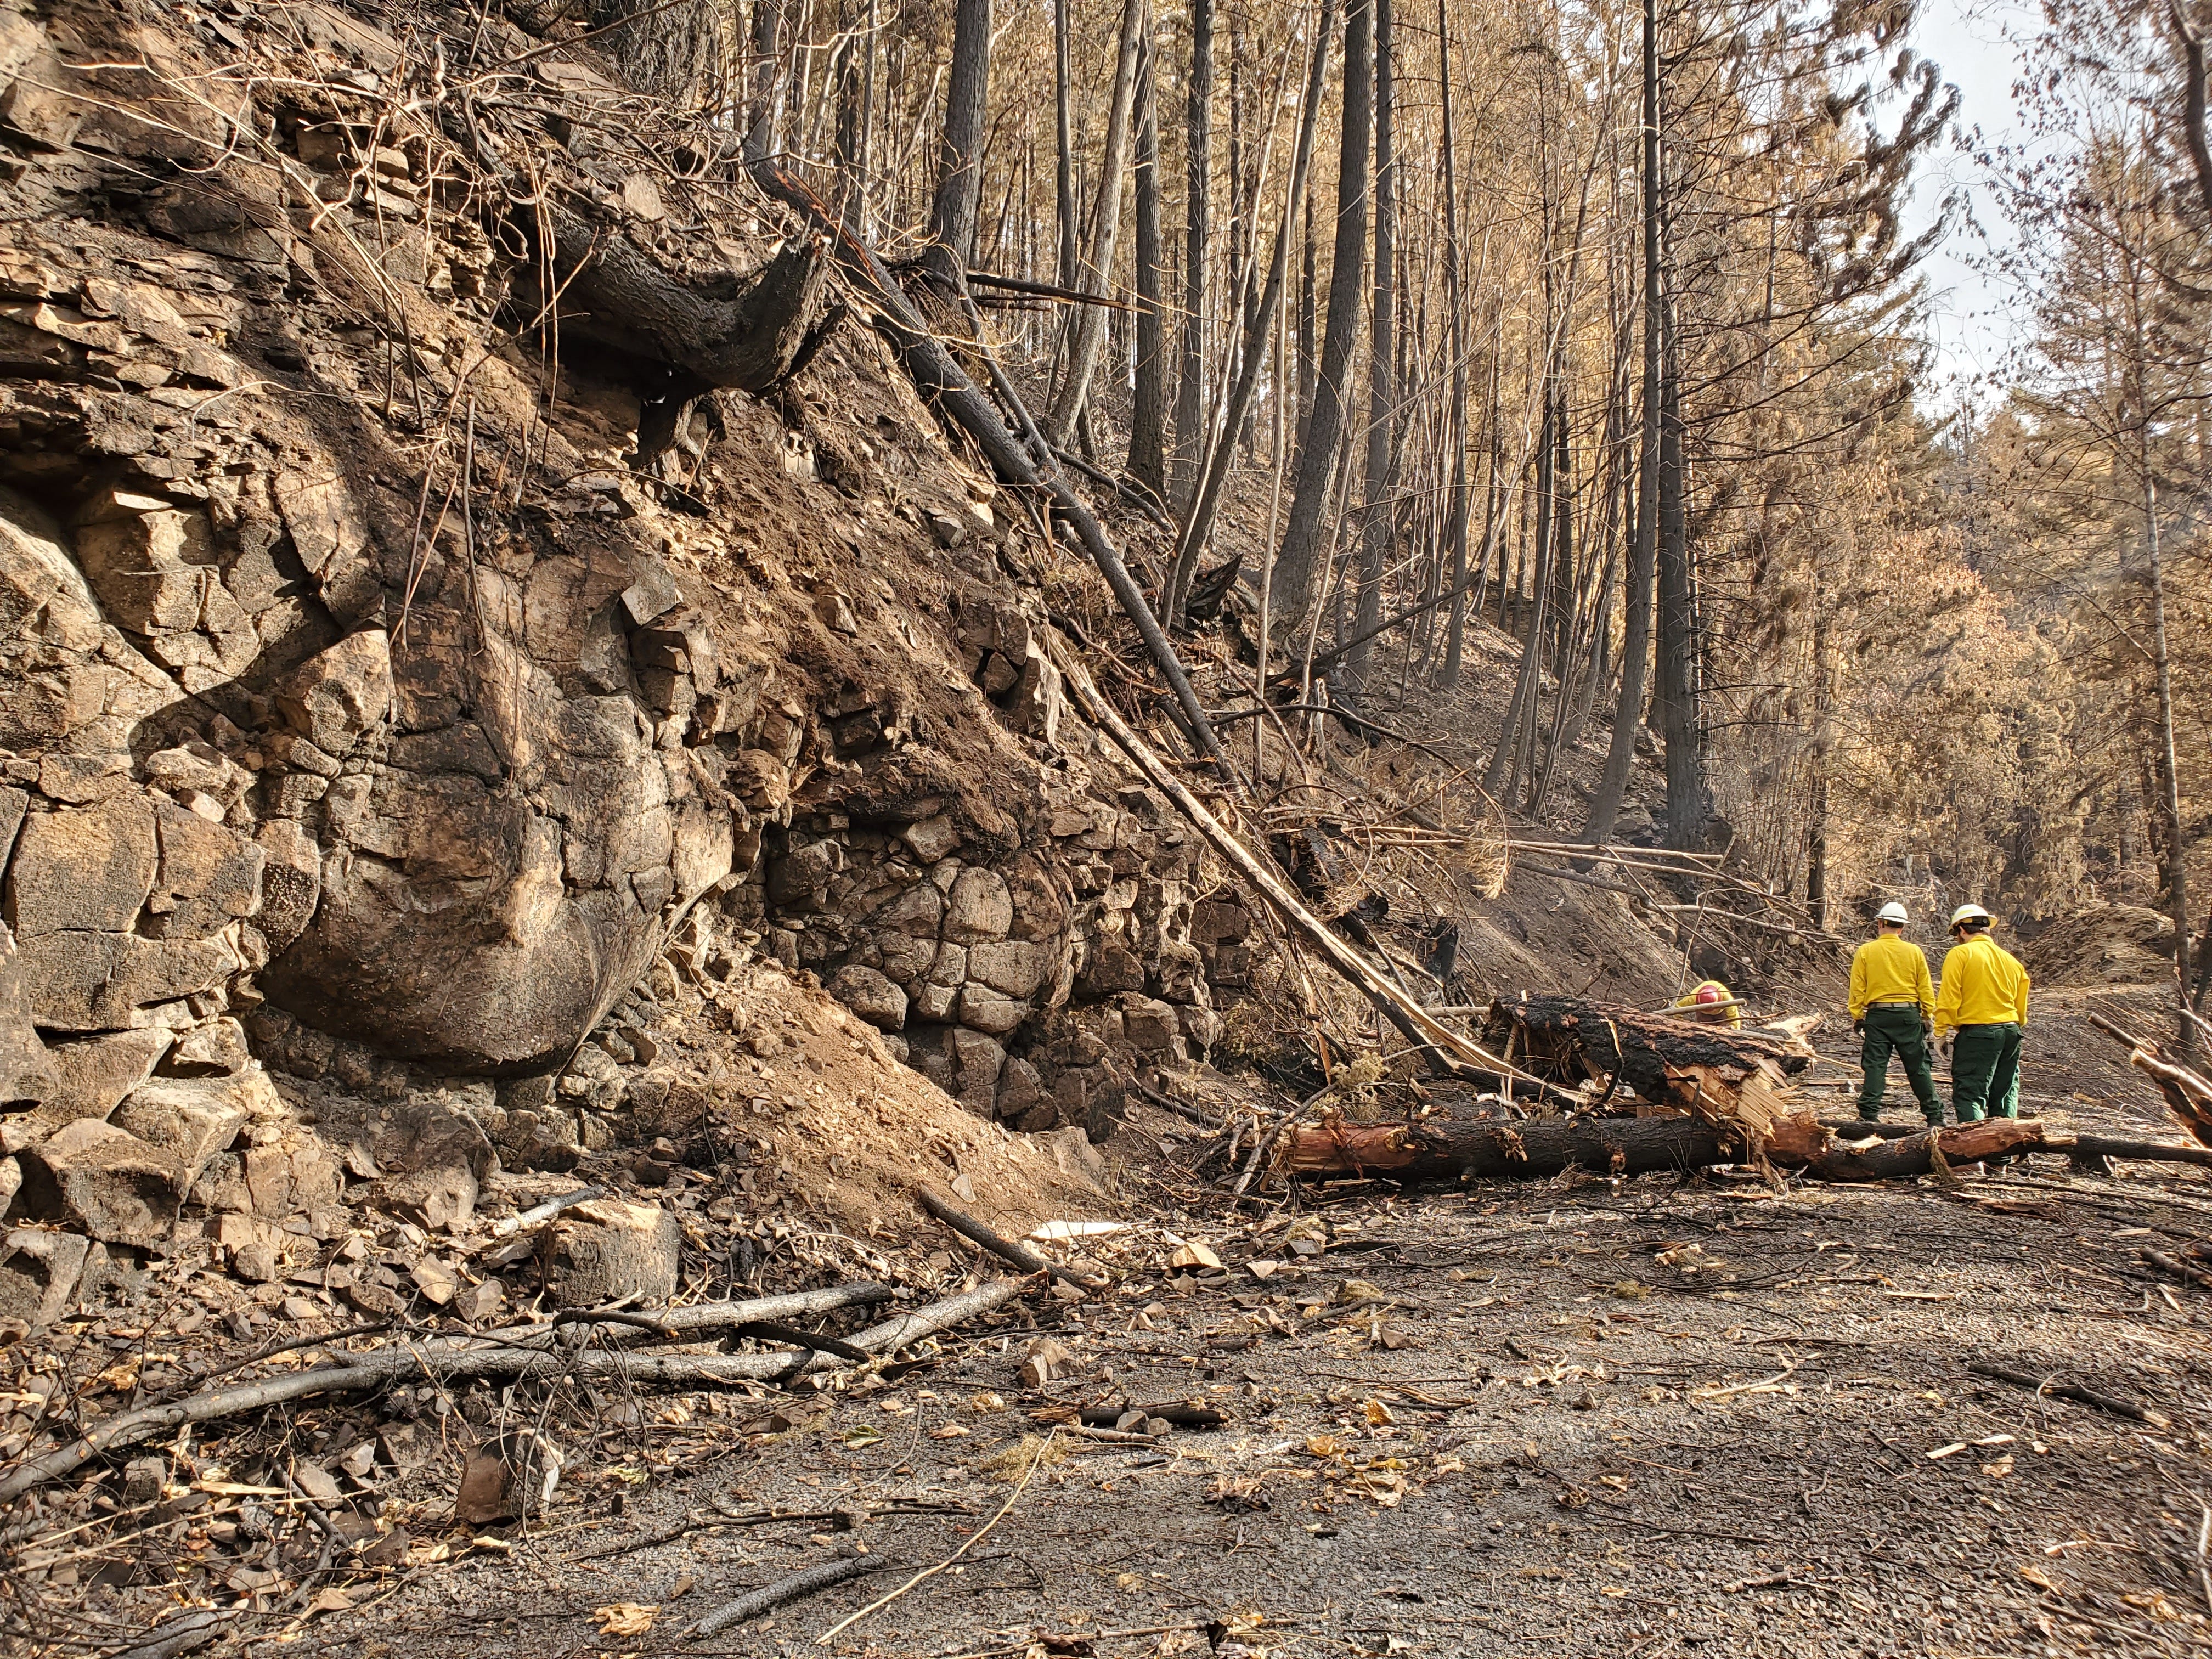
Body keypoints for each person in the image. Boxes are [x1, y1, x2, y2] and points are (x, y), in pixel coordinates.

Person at [1933, 903, 2031, 1123]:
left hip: (1978, 1034)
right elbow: (2021, 1008)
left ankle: (1974, 1152)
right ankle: (2002, 1155)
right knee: (2004, 1094)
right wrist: (2012, 1027)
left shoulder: (1960, 954)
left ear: (1962, 930)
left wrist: (1940, 1032)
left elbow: (1949, 998)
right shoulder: (2011, 961)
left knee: (1971, 1094)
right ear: (1987, 928)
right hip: (2011, 1031)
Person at [1847, 901, 1941, 1126]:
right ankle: (1935, 1117)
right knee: (1918, 1067)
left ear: (1879, 923)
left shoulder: (1866, 951)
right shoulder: (1914, 952)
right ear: (1902, 928)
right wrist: (1928, 1015)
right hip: (1908, 1015)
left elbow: (1857, 987)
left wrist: (1858, 1016)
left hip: (1878, 1016)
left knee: (1876, 1065)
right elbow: (1925, 987)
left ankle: (1869, 1116)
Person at [1671, 979, 1742, 1028]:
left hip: (1721, 1013)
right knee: (1705, 1028)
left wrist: (1736, 1033)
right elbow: (1678, 1007)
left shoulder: (1726, 997)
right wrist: (1678, 1023)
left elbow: (1734, 1017)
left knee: (1723, 1028)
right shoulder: (1693, 997)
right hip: (1703, 1014)